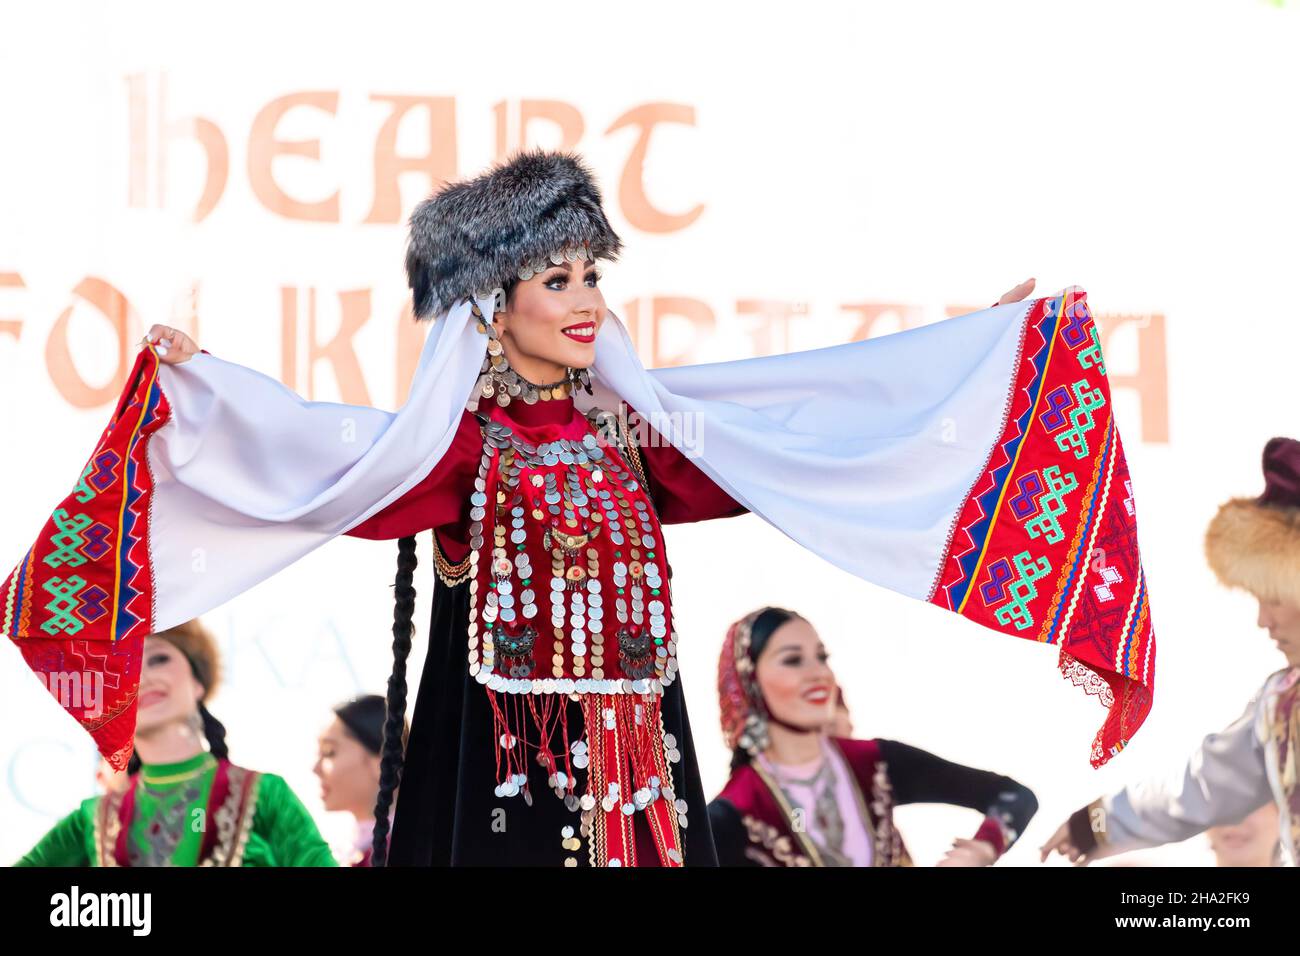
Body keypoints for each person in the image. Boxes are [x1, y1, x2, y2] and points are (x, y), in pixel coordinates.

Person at [3, 148, 1155, 867]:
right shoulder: (459, 446)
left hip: (640, 777)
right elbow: (318, 468)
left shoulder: (639, 434)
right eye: (556, 278)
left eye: (592, 273)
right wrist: (200, 389)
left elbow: (805, 432)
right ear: (487, 312)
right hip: (502, 784)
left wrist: (983, 358)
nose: (587, 300)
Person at [1040, 436, 1300, 867]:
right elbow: (1201, 789)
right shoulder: (1280, 704)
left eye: (1271, 596)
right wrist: (1095, 825)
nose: (1263, 620)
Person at [708, 606, 1037, 866]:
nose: (818, 673)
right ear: (749, 680)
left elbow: (1013, 796)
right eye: (793, 660)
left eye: (821, 658)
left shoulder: (873, 763)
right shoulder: (733, 815)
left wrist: (981, 849)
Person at [15, 620, 336, 867]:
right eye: (122, 669)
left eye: (158, 660)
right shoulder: (92, 818)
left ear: (198, 681)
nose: (142, 677)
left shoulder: (266, 795)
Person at [315, 695, 405, 866]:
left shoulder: (409, 851)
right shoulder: (347, 852)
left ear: (380, 762)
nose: (315, 769)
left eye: (329, 752)